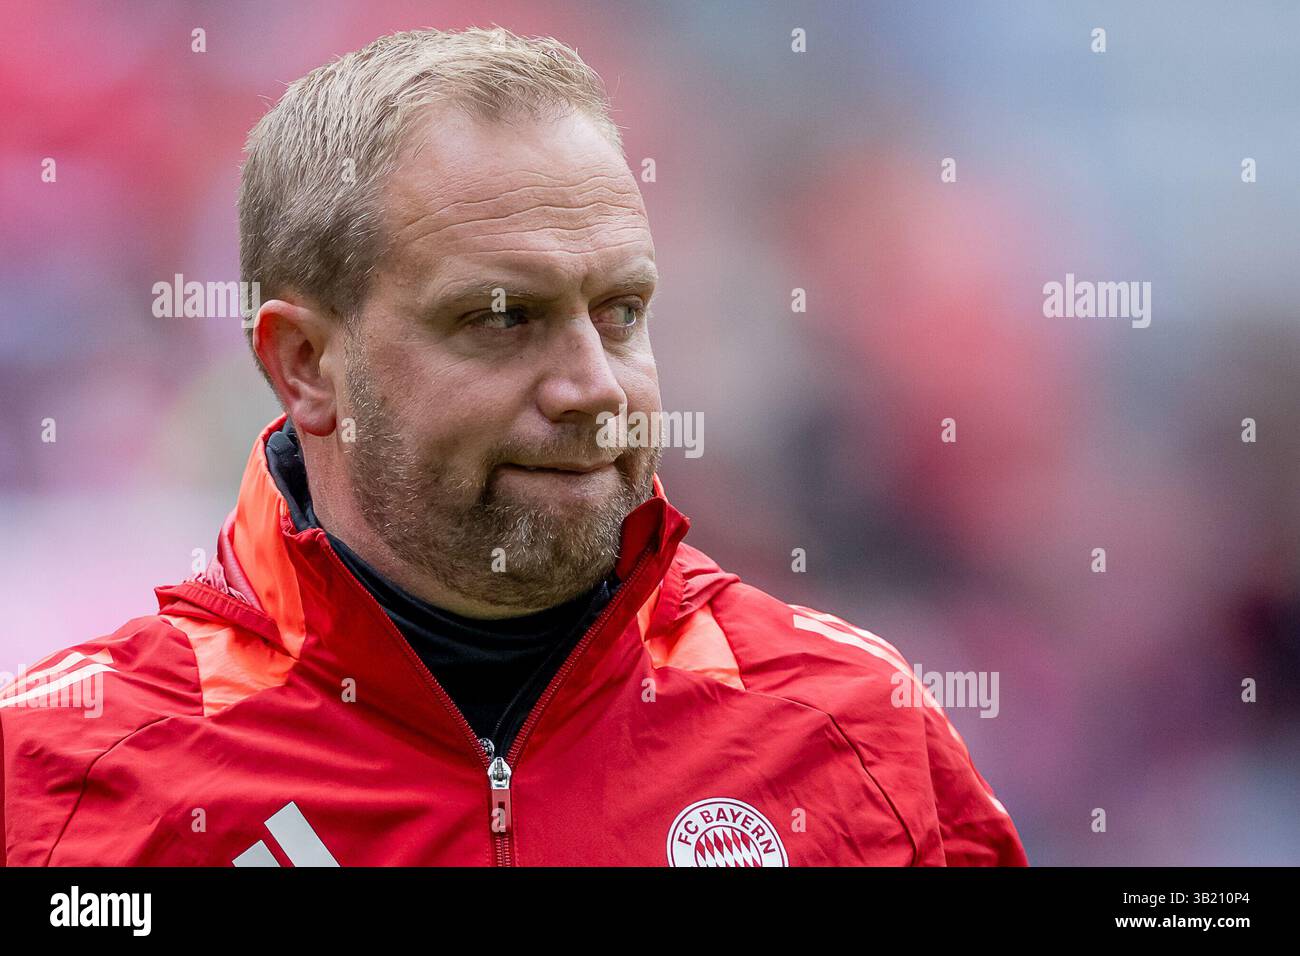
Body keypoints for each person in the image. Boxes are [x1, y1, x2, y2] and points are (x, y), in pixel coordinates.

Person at [0, 27, 1026, 866]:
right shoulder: (61, 783)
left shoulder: (854, 731)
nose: (594, 386)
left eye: (621, 311)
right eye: (503, 318)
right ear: (306, 363)